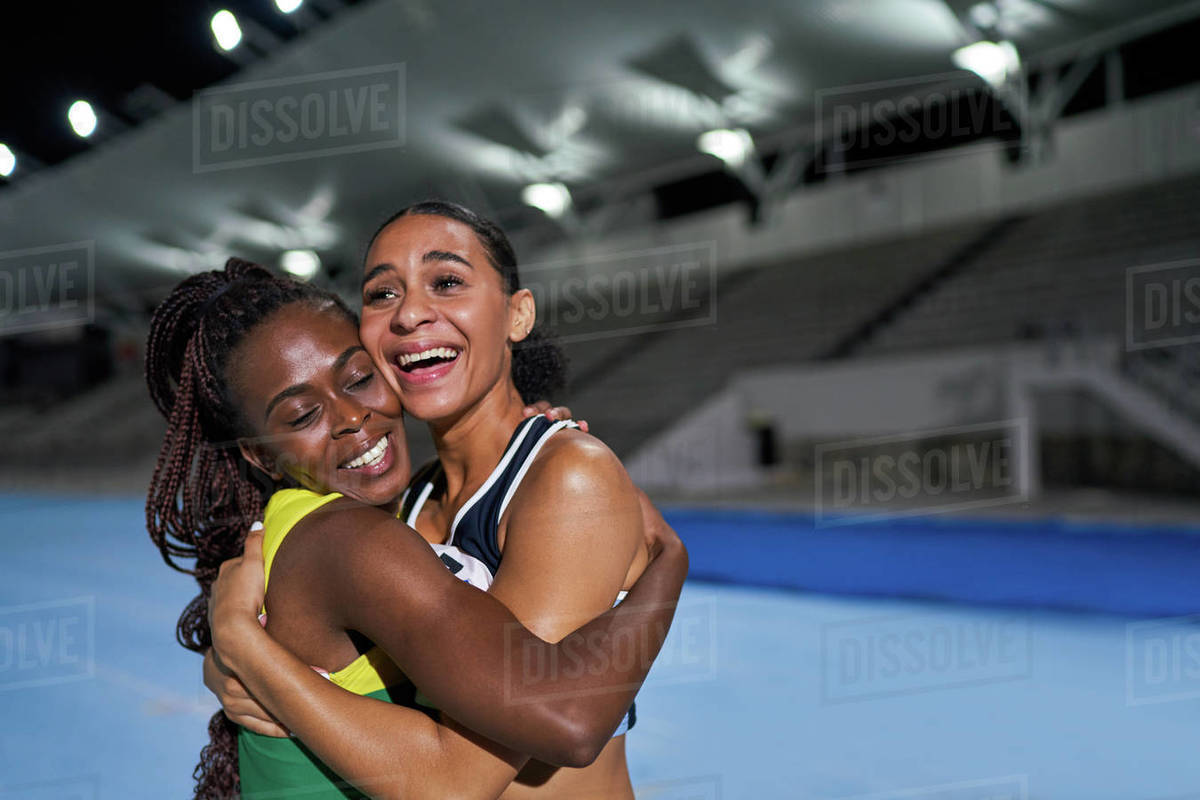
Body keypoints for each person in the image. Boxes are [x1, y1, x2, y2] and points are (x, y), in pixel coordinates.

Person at [146, 259, 688, 799]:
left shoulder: (398, 510)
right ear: (261, 458)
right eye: (302, 416)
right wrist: (668, 564)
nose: (351, 417)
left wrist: (234, 657)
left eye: (359, 379)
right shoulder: (355, 540)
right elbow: (564, 724)